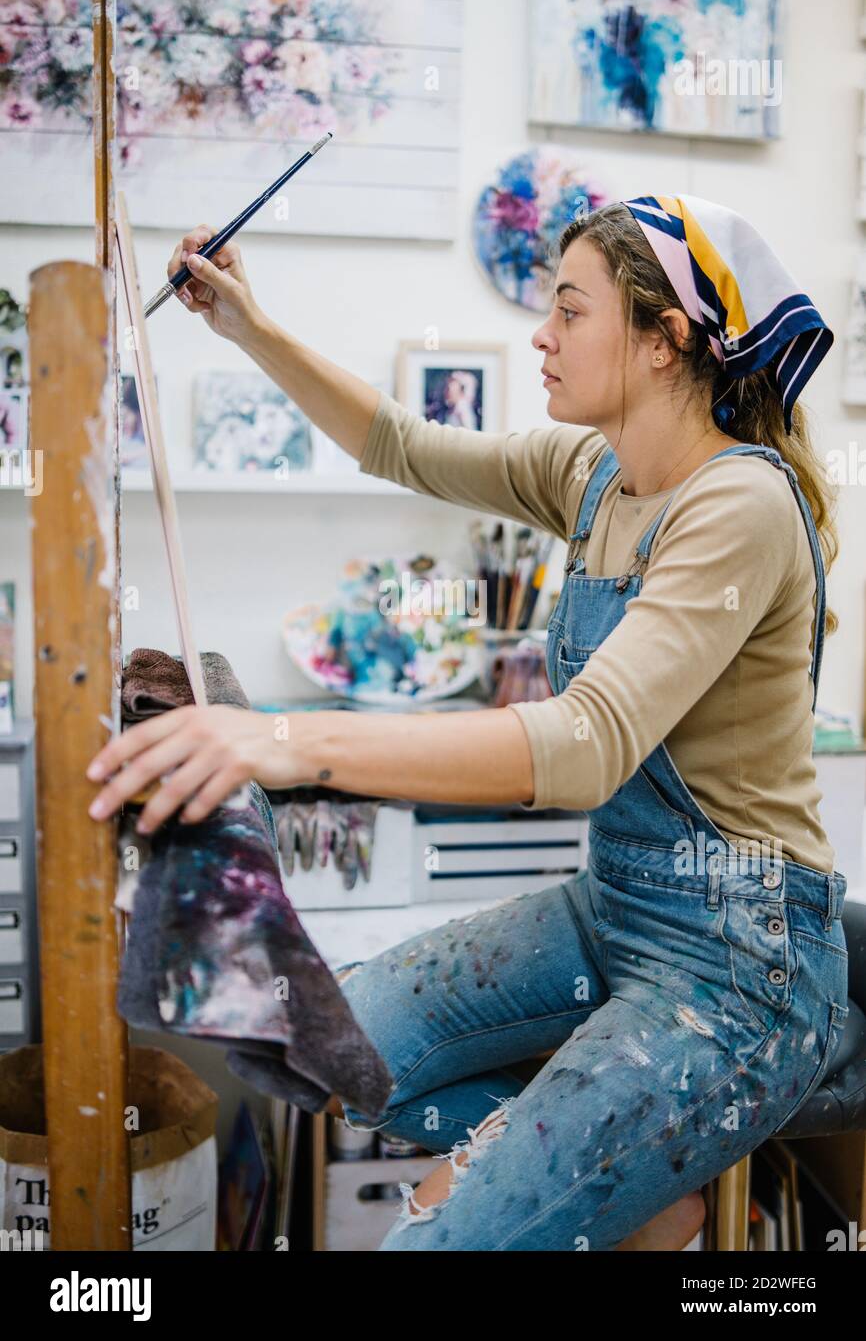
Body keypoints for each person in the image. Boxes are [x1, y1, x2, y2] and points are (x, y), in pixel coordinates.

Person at [87, 195, 849, 1252]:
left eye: (570, 311)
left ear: (663, 340)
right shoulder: (594, 476)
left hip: (735, 961)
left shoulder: (739, 506)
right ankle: (634, 1186)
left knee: (429, 1243)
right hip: (614, 903)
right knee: (320, 1046)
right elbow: (399, 443)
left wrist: (283, 739)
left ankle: (606, 1176)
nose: (541, 333)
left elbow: (581, 747)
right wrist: (246, 325)